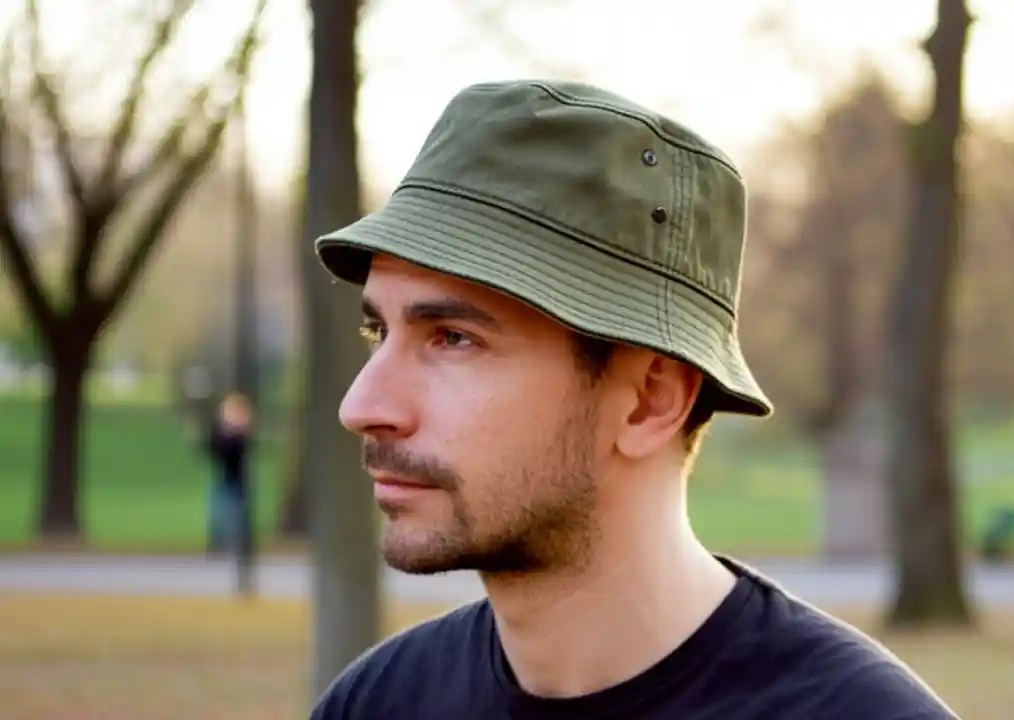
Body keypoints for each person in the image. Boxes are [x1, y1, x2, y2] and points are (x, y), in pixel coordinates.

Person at [309, 80, 957, 719]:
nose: (361, 405)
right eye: (378, 331)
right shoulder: (377, 702)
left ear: (650, 401)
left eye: (452, 338)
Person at [205, 392, 254, 559]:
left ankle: (240, 545)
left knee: (238, 514)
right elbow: (213, 450)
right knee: (219, 512)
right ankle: (219, 544)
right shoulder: (222, 434)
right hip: (224, 478)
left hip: (238, 479)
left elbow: (239, 452)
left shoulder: (240, 435)